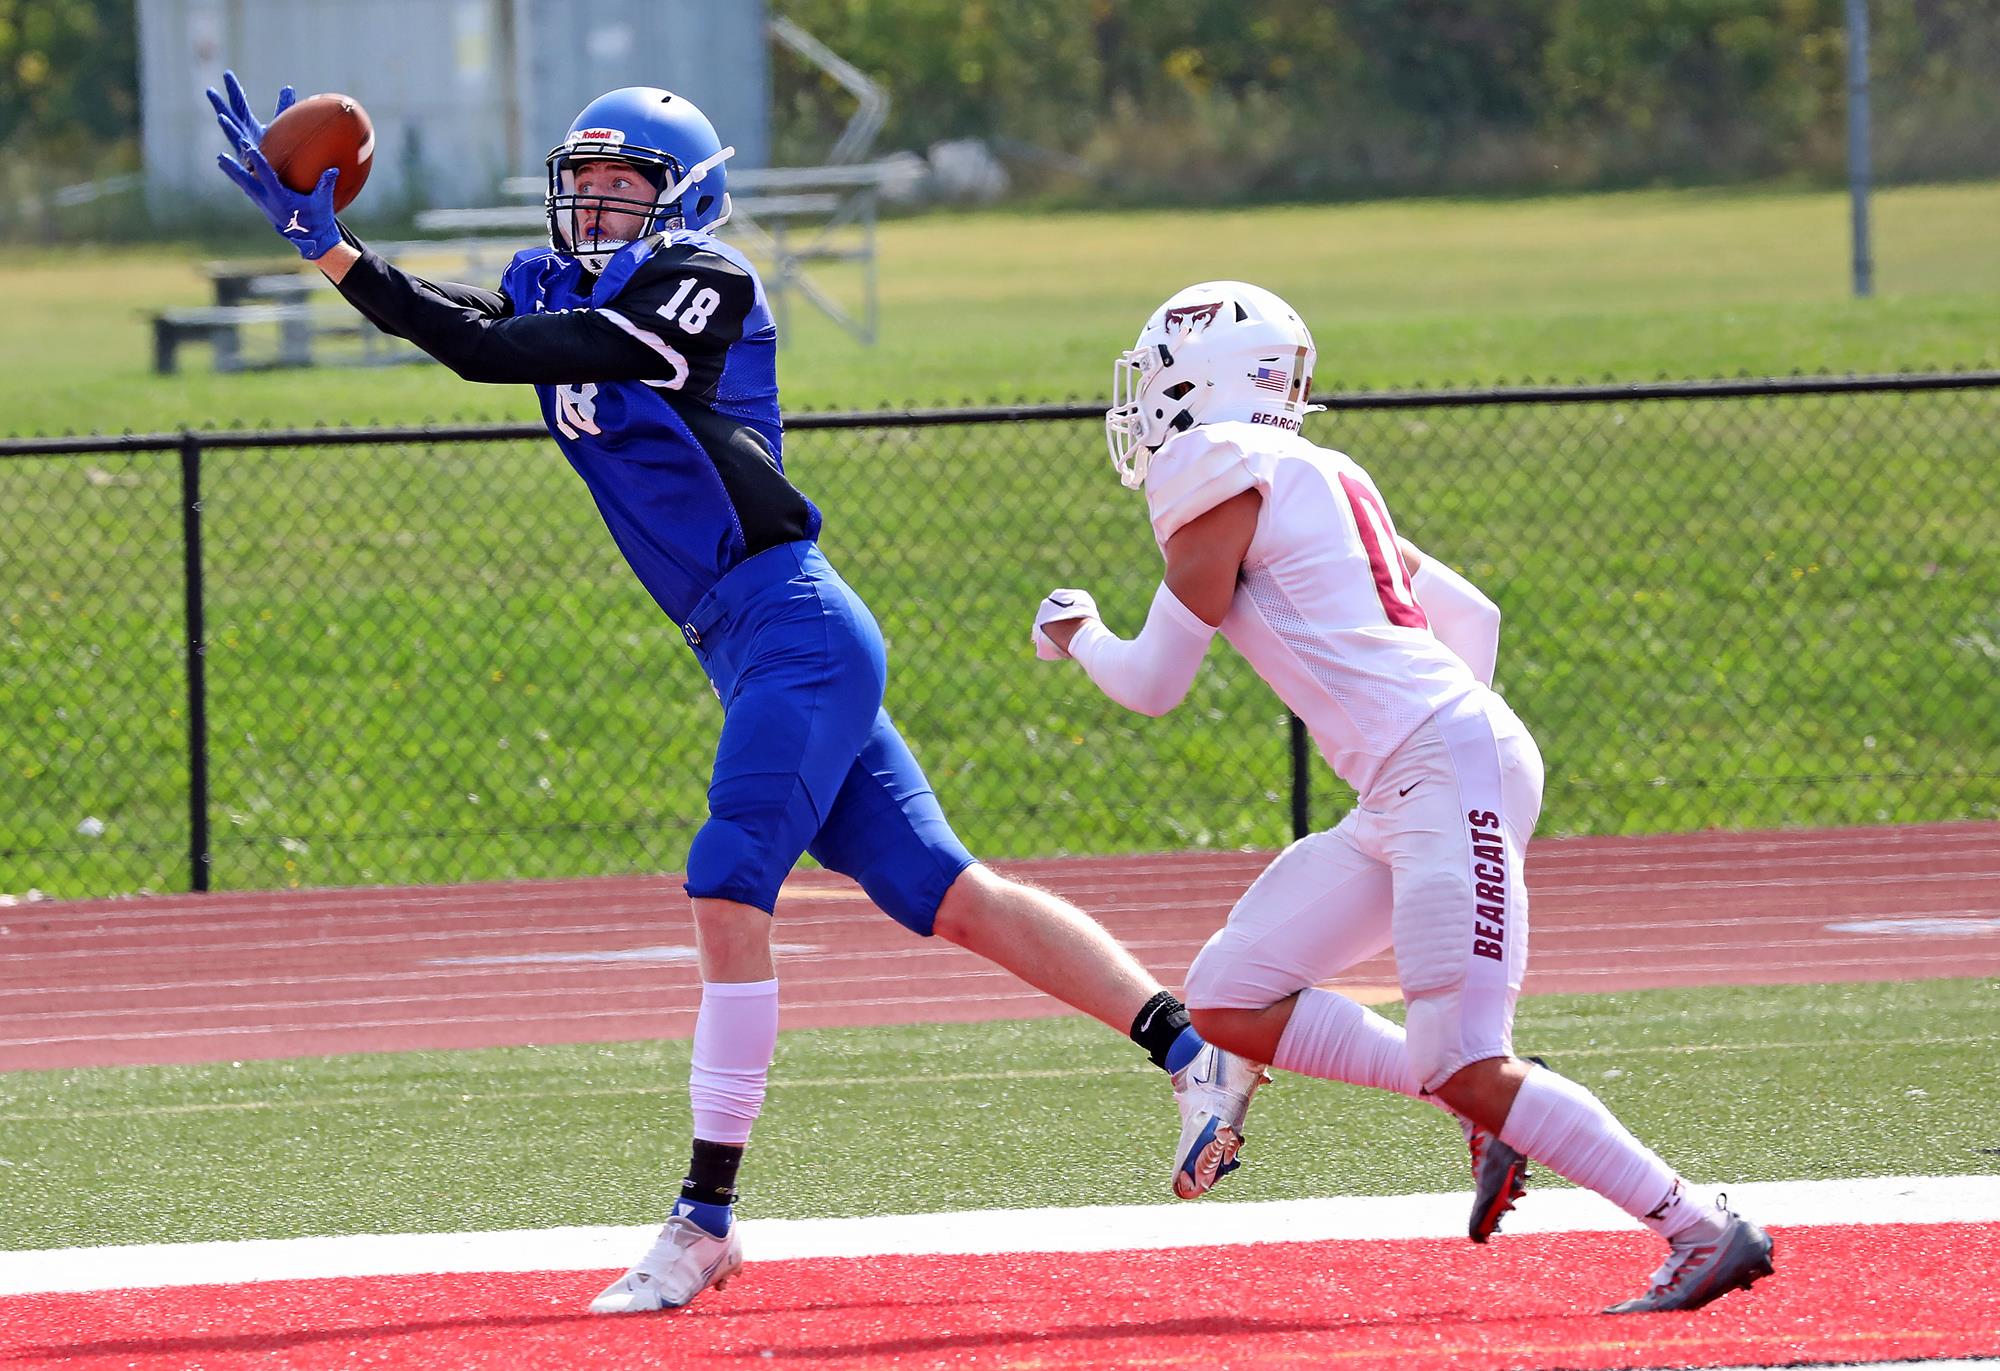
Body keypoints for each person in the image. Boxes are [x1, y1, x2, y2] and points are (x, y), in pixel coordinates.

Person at [205, 74, 1268, 1314]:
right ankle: (1193, 1054)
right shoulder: (556, 276)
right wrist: (333, 244)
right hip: (744, 642)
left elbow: (496, 352)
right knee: (951, 895)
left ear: (685, 197)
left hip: (793, 625)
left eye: (626, 185)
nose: (597, 204)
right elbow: (473, 320)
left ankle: (703, 1217)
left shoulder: (703, 279)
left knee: (724, 882)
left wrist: (332, 249)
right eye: (585, 181)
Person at [1030, 280, 1777, 1314]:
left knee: (1468, 1058)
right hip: (1419, 771)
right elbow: (1471, 613)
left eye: (1155, 376)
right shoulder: (1320, 470)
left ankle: (1696, 1225)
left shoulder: (1215, 461)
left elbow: (1152, 684)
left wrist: (1075, 631)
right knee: (1230, 998)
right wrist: (1430, 745)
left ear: (1198, 381)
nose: (1144, 401)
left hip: (1433, 766)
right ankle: (1482, 1102)